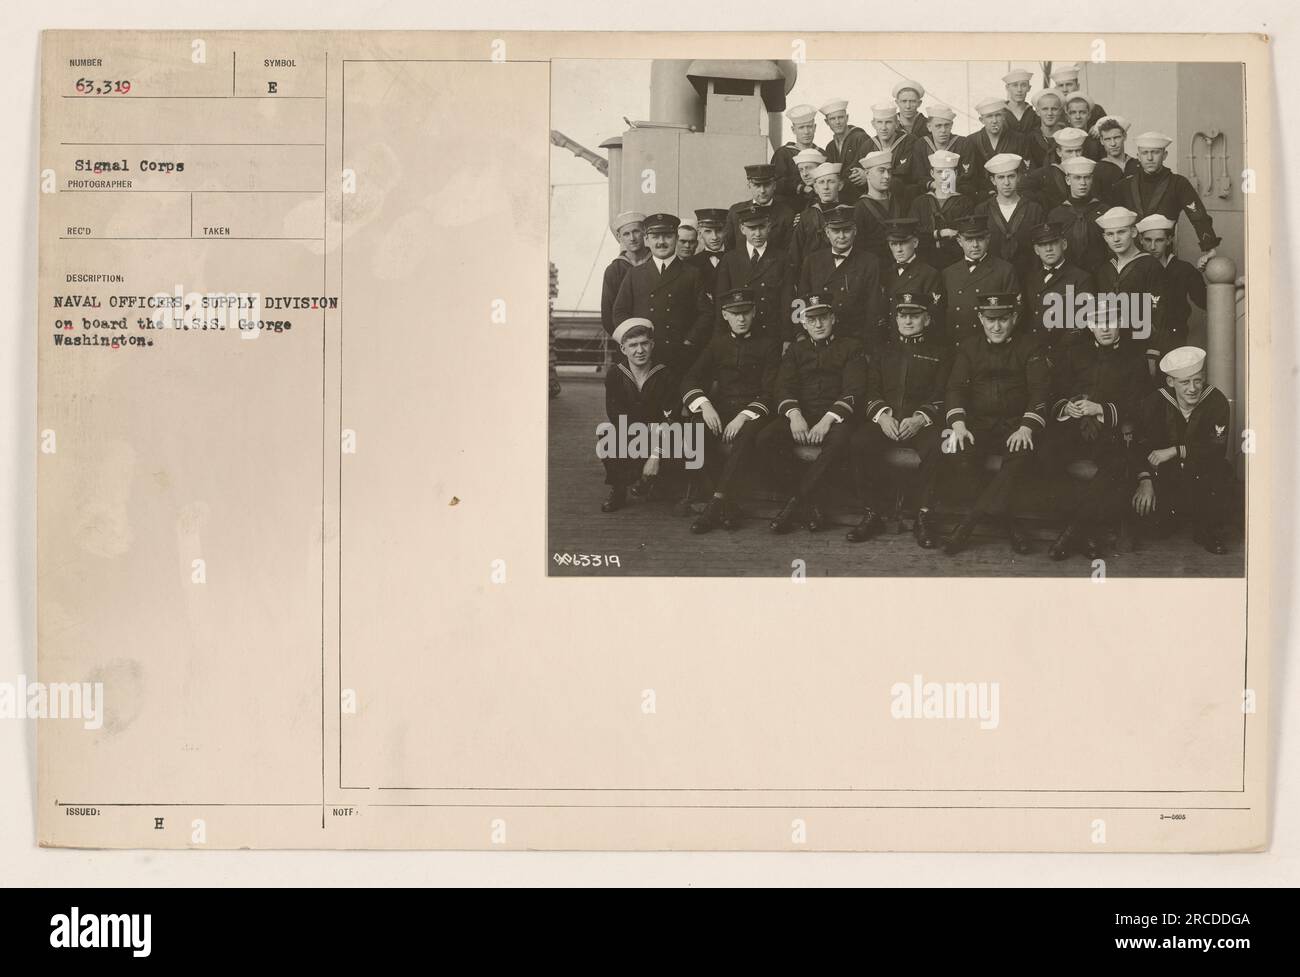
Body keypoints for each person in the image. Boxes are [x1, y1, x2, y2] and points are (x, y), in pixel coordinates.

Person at [939, 291, 1052, 555]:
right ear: (980, 319)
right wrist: (958, 424)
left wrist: (1026, 427)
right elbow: (955, 388)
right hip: (979, 424)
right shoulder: (969, 348)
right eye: (990, 320)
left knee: (1021, 454)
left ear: (1014, 317)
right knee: (960, 453)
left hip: (1017, 425)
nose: (997, 326)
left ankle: (967, 524)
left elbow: (1040, 391)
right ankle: (1011, 525)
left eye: (1003, 318)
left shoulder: (1030, 346)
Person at [1044, 299, 1150, 560]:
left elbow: (1142, 405)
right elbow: (1054, 392)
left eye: (1111, 323)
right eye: (1099, 323)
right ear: (1090, 326)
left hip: (1111, 430)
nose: (1105, 329)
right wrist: (1066, 407)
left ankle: (1072, 532)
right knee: (1045, 454)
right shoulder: (1074, 352)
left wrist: (1100, 409)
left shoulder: (1133, 358)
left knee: (1115, 466)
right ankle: (1086, 534)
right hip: (1073, 427)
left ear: (1121, 324)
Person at [847, 291, 952, 547]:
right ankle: (873, 512)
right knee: (860, 442)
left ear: (927, 319)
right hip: (887, 422)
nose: (908, 321)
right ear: (895, 319)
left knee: (940, 446)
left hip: (921, 424)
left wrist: (920, 418)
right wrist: (882, 417)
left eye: (914, 315)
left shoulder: (942, 352)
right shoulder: (883, 351)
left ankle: (924, 516)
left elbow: (944, 394)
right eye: (903, 315)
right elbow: (871, 391)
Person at [759, 293, 868, 533]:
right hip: (803, 414)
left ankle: (795, 503)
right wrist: (795, 416)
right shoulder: (796, 350)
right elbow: (783, 386)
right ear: (803, 323)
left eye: (823, 318)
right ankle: (812, 505)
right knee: (765, 439)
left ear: (833, 318)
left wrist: (827, 421)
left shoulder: (851, 347)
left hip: (836, 417)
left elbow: (854, 389)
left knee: (840, 442)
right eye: (811, 320)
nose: (818, 325)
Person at [680, 288, 782, 533]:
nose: (741, 318)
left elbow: (770, 392)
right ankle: (728, 506)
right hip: (720, 408)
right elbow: (689, 379)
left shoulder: (769, 344)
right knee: (694, 434)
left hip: (754, 411)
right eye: (735, 313)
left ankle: (714, 505)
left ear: (754, 312)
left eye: (746, 312)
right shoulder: (717, 344)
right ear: (725, 315)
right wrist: (705, 406)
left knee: (746, 436)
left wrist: (743, 416)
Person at [1132, 346, 1233, 554]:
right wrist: (1145, 480)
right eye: (1185, 382)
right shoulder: (1155, 403)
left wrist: (1175, 450)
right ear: (1171, 382)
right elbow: (1140, 446)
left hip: (1202, 474)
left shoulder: (1216, 401)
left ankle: (1207, 529)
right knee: (1156, 530)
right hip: (1170, 476)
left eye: (1197, 380)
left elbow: (1216, 447)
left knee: (1222, 469)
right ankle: (1180, 516)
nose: (1193, 388)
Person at [612, 212, 713, 373]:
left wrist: (689, 341)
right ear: (647, 240)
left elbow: (706, 313)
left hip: (679, 355)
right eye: (655, 237)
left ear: (675, 238)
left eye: (667, 236)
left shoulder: (692, 273)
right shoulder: (634, 274)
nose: (661, 242)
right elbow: (619, 312)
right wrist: (635, 341)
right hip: (644, 357)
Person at [599, 318, 679, 513]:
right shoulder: (616, 375)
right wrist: (638, 446)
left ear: (652, 345)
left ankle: (650, 481)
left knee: (688, 441)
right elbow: (615, 414)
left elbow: (672, 416)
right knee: (607, 438)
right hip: (632, 431)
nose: (640, 350)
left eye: (644, 343)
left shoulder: (665, 374)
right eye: (633, 345)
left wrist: (655, 454)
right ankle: (619, 490)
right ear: (623, 349)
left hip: (662, 434)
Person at [1107, 132, 1221, 266]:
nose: (1149, 158)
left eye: (1155, 152)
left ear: (1164, 155)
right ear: (1138, 156)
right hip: (1131, 257)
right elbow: (1112, 224)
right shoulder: (1124, 186)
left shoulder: (1178, 184)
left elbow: (1198, 216)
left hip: (1164, 257)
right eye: (1145, 153)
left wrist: (1209, 248)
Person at [797, 204, 887, 350]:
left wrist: (869, 345)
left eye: (847, 230)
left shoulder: (869, 262)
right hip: (819, 339)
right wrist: (800, 333)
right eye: (835, 231)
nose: (841, 236)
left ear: (855, 231)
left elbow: (873, 307)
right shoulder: (812, 261)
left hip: (855, 339)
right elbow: (800, 300)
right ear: (827, 232)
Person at [1093, 206, 1167, 375]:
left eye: (1121, 232)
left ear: (1133, 232)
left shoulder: (1150, 265)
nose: (1116, 239)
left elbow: (1159, 313)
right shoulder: (1105, 269)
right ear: (1104, 237)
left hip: (1141, 349)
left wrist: (1152, 353)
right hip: (1113, 350)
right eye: (1110, 234)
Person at [714, 206, 794, 343]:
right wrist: (719, 337)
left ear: (769, 227)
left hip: (771, 334)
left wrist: (787, 338)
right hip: (739, 334)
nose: (757, 233)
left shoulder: (782, 259)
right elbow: (721, 302)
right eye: (752, 228)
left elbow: (787, 301)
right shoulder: (730, 259)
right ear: (742, 229)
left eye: (761, 227)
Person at [941, 214, 1021, 345]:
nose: (975, 245)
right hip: (956, 345)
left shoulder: (1004, 270)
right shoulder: (948, 273)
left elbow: (1016, 312)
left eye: (980, 239)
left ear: (988, 239)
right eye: (969, 240)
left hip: (989, 346)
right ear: (959, 241)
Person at [1136, 213, 1207, 356]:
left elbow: (1205, 301)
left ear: (1169, 240)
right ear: (1140, 240)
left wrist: (1233, 285)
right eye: (1148, 240)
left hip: (1174, 339)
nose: (1153, 246)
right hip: (1140, 340)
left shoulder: (1183, 269)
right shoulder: (1134, 269)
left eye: (1159, 240)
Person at [1020, 220, 1094, 352]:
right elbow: (1026, 318)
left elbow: (1080, 324)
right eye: (1043, 245)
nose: (1048, 249)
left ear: (1064, 244)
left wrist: (1056, 351)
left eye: (1053, 243)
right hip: (1033, 351)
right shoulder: (1029, 279)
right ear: (1036, 250)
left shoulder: (1081, 278)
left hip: (1066, 352)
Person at [975, 153, 1045, 277]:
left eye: (1011, 176)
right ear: (993, 180)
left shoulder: (1034, 209)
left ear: (1018, 177)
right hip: (992, 276)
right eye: (1001, 177)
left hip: (1027, 276)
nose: (1006, 182)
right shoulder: (983, 210)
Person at [909, 149, 975, 270]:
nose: (944, 177)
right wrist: (938, 233)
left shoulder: (965, 202)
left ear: (955, 172)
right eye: (939, 172)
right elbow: (913, 233)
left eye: (948, 172)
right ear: (932, 173)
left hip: (956, 262)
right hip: (924, 262)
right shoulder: (919, 202)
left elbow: (967, 234)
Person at [882, 217, 944, 336]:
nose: (899, 249)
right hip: (889, 341)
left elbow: (934, 315)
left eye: (903, 243)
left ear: (915, 243)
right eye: (894, 244)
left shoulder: (929, 274)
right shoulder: (887, 273)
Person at [1047, 156, 1109, 272]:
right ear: (1068, 180)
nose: (1083, 183)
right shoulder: (1056, 214)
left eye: (1087, 178)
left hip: (1100, 275)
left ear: (1092, 179)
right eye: (1077, 178)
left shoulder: (1104, 211)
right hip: (1068, 276)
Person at [724, 163, 796, 251]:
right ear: (749, 185)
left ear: (774, 185)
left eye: (767, 185)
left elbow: (788, 251)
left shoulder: (786, 213)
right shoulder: (735, 211)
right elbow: (729, 248)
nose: (762, 191)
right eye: (757, 186)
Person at [853, 149, 907, 266]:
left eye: (889, 171)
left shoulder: (899, 201)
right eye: (881, 171)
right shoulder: (860, 208)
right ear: (867, 174)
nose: (887, 176)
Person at [862, 102, 921, 208]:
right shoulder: (868, 145)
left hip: (902, 196)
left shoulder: (909, 141)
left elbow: (904, 173)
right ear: (873, 124)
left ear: (897, 123)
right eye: (879, 122)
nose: (883, 128)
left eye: (888, 122)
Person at [600, 211, 650, 335]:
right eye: (626, 234)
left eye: (636, 231)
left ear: (644, 231)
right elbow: (608, 315)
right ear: (619, 236)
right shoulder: (614, 270)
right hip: (628, 340)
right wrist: (624, 339)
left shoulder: (657, 262)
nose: (632, 238)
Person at [910, 105, 976, 197]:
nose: (943, 130)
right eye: (938, 126)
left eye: (946, 125)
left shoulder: (963, 143)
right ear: (929, 127)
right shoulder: (921, 144)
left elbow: (967, 175)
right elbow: (918, 175)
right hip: (929, 191)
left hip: (957, 191)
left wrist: (947, 184)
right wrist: (934, 185)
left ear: (951, 125)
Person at [789, 161, 844, 271]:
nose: (826, 187)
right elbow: (795, 254)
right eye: (821, 182)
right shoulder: (806, 216)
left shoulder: (848, 212)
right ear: (815, 188)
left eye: (831, 182)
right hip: (812, 274)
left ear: (840, 185)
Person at [969, 97, 1027, 200]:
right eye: (989, 116)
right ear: (981, 120)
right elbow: (972, 175)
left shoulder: (1018, 139)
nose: (994, 121)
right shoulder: (972, 141)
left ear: (1004, 116)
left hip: (1013, 193)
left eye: (998, 115)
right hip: (983, 196)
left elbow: (1024, 170)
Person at [820, 98, 875, 205]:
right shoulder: (830, 146)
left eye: (840, 117)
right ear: (827, 122)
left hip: (861, 193)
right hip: (839, 194)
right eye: (832, 119)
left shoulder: (860, 138)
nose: (837, 122)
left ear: (847, 118)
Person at [1022, 127, 1090, 213]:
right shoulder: (1045, 173)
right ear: (1059, 152)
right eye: (1069, 151)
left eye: (1078, 151)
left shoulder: (1089, 173)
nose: (1075, 156)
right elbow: (1022, 190)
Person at [772, 103, 822, 211]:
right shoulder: (783, 153)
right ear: (793, 130)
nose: (806, 132)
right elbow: (776, 182)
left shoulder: (822, 154)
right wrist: (800, 187)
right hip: (789, 207)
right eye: (801, 127)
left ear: (815, 127)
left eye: (809, 126)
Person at [686, 208, 729, 297]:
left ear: (725, 231)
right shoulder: (690, 264)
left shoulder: (736, 259)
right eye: (708, 231)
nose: (714, 237)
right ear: (700, 233)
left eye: (719, 230)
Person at [1051, 64, 1107, 130]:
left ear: (1078, 86)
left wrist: (1100, 128)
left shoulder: (1096, 110)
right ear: (1056, 89)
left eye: (1069, 84)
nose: (1065, 89)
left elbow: (1110, 128)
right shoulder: (1053, 113)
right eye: (1061, 85)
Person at [1092, 115, 1138, 189]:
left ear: (1124, 136)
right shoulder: (1098, 169)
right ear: (1101, 141)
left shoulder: (1137, 164)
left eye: (1116, 137)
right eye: (1107, 139)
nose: (1113, 144)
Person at [1024, 88, 1065, 169]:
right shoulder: (1030, 139)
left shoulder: (1067, 135)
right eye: (1045, 109)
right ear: (1038, 112)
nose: (1050, 113)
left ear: (1060, 111)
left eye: (1054, 109)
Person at [1000, 68, 1038, 135]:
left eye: (1023, 85)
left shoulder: (1034, 116)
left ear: (1029, 88)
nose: (1019, 90)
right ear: (1007, 88)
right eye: (1015, 85)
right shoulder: (999, 113)